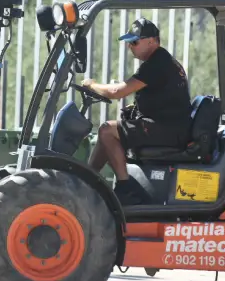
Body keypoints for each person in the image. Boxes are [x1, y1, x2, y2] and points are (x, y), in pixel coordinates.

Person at [81, 17, 192, 205]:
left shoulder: (157, 63)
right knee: (106, 135)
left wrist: (91, 85)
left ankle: (125, 188)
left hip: (167, 130)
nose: (130, 47)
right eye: (129, 42)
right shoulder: (161, 60)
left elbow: (117, 92)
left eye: (134, 42)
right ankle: (87, 181)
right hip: (168, 127)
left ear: (152, 41)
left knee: (107, 130)